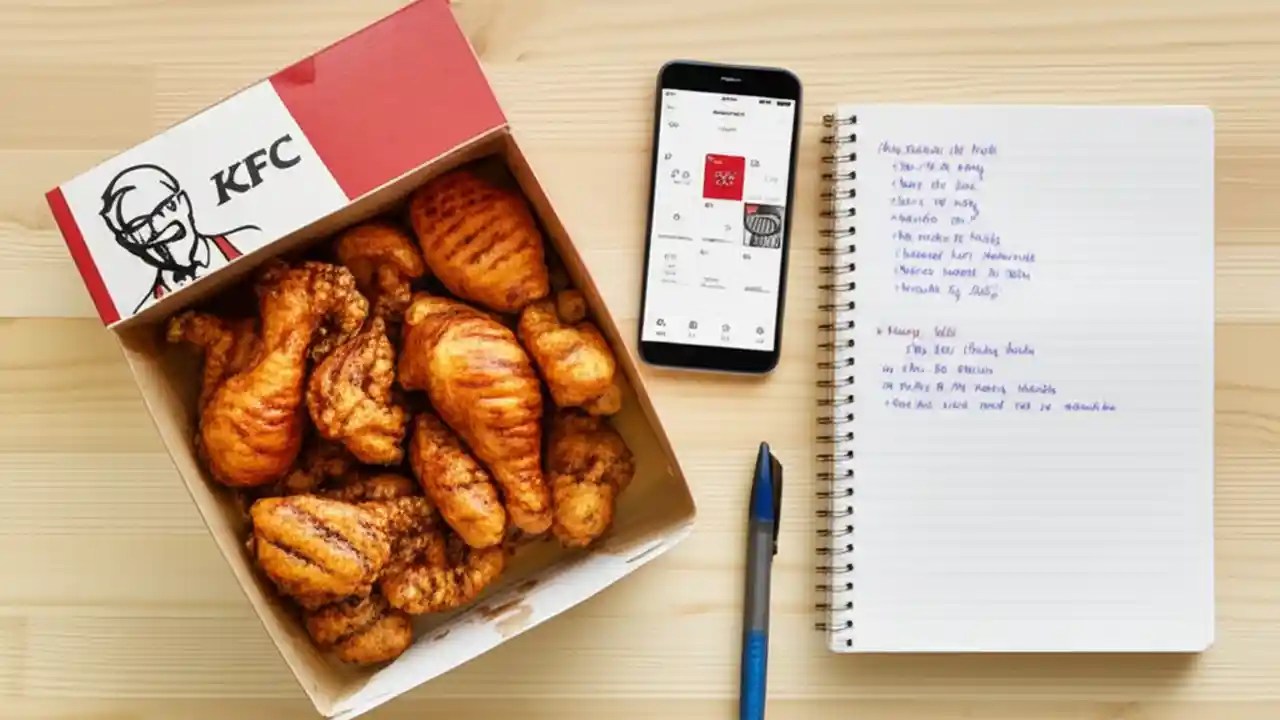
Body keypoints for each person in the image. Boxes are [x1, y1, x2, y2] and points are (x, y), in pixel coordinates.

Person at [98, 164, 258, 312]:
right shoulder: (149, 308)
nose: (158, 227)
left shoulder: (250, 240)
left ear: (184, 202)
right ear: (128, 242)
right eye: (139, 227)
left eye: (165, 208)